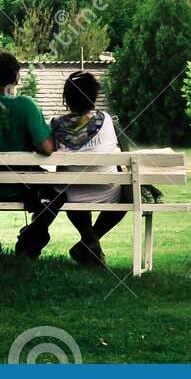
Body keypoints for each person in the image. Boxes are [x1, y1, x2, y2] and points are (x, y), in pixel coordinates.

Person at [0, 51, 64, 258]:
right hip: (22, 187)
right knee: (59, 193)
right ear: (16, 77)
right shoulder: (25, 105)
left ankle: (31, 236)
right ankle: (30, 238)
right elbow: (47, 148)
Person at [52, 70, 126, 267]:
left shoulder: (56, 124)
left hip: (70, 194)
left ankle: (88, 239)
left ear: (67, 98)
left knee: (73, 182)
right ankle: (90, 241)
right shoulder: (107, 119)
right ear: (94, 95)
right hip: (108, 192)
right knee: (128, 192)